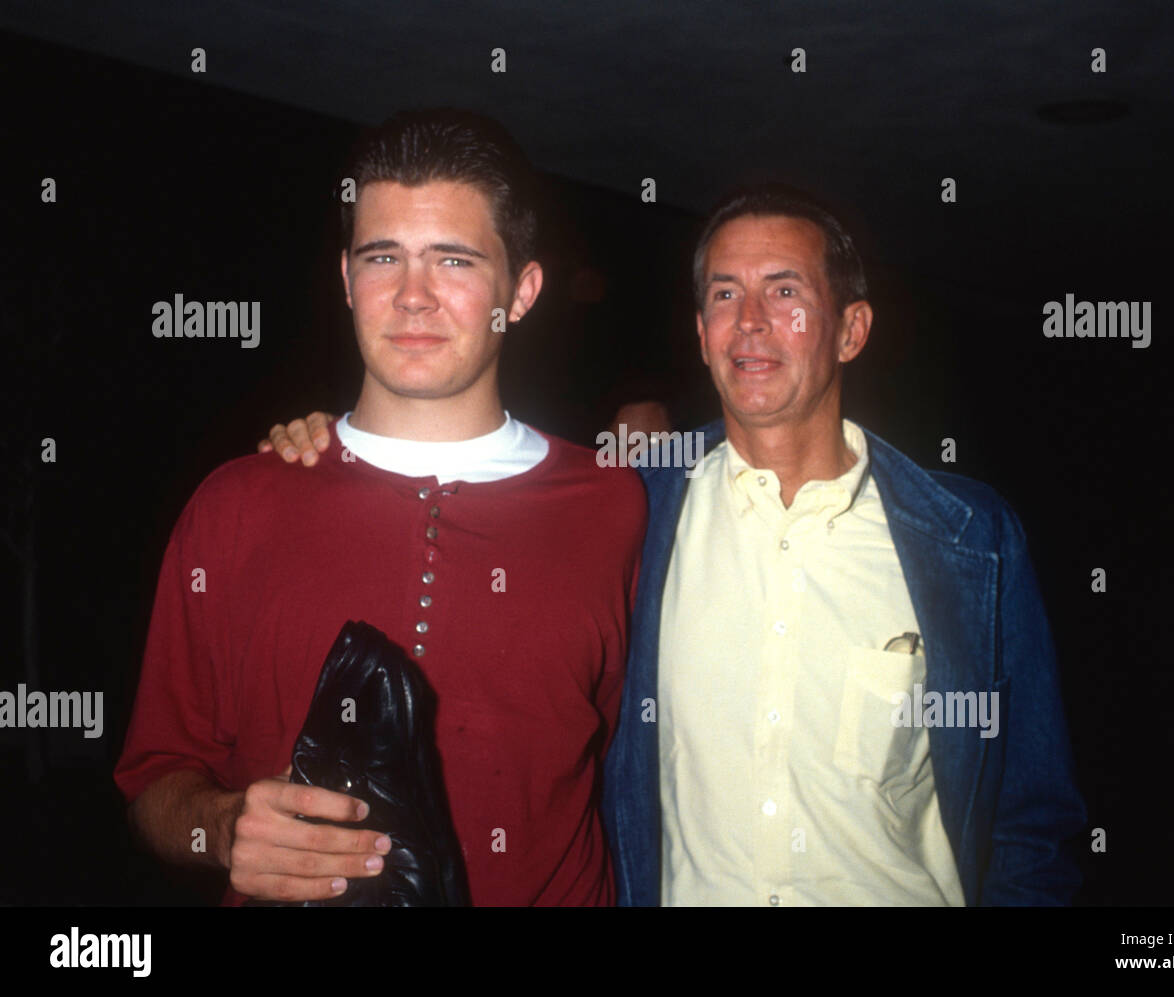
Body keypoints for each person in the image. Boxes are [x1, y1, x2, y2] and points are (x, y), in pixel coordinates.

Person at [268, 183, 1088, 906]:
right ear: (701, 332)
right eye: (725, 294)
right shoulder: (631, 507)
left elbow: (1031, 823)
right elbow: (482, 496)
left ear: (851, 329)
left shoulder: (968, 540)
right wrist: (335, 444)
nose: (751, 321)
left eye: (785, 290)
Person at [115, 108, 647, 906]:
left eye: (454, 260)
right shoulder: (237, 503)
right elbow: (153, 782)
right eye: (382, 257)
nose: (412, 296)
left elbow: (636, 758)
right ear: (345, 279)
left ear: (522, 291)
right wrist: (220, 827)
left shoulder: (614, 505)